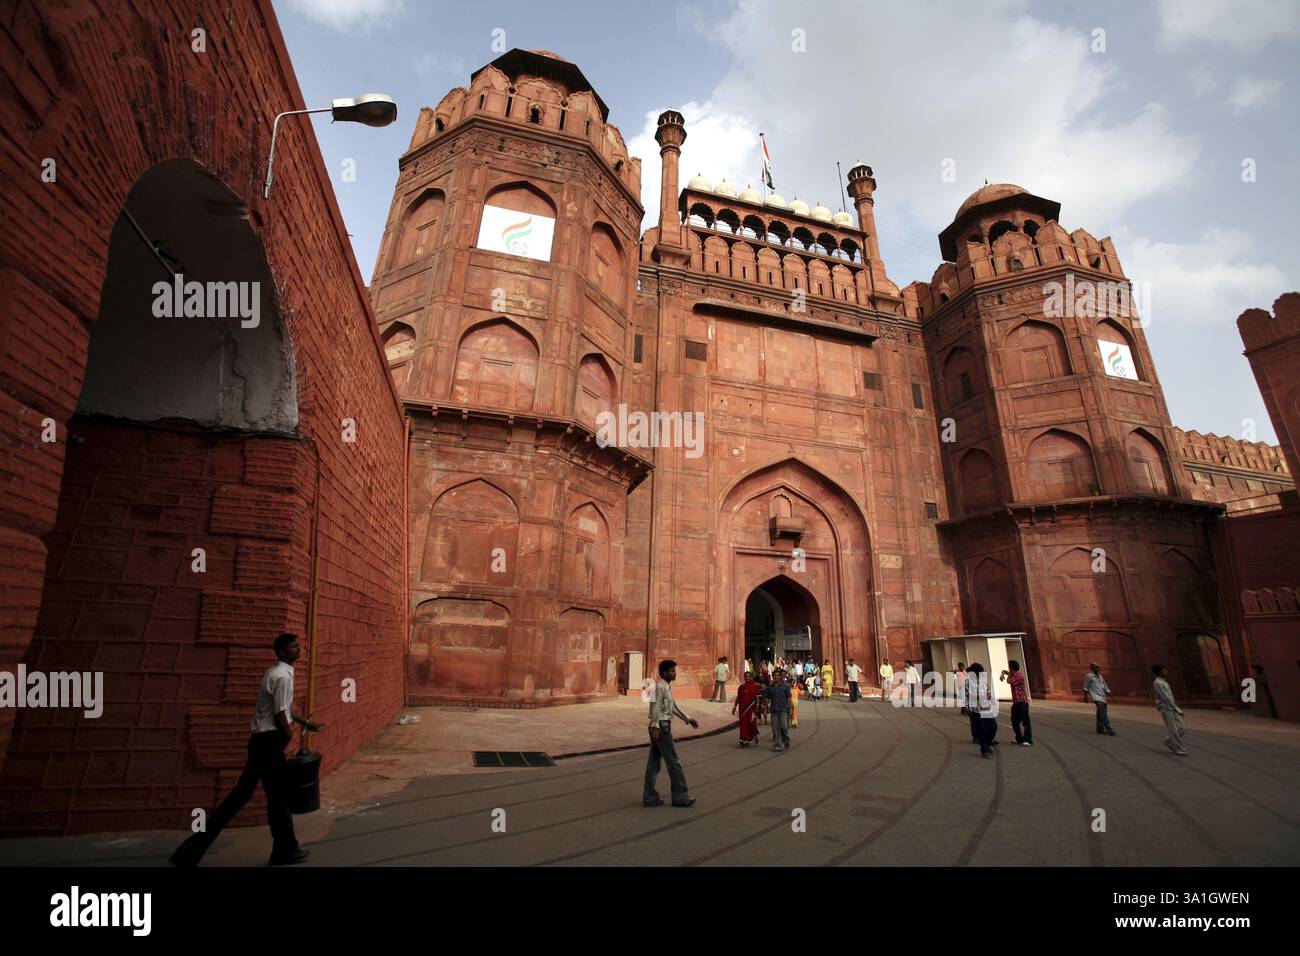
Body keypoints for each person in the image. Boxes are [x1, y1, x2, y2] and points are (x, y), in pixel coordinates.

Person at [171, 633, 322, 867]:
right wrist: (289, 735)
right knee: (279, 798)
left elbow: (286, 707)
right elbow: (280, 713)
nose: (299, 649)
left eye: (298, 646)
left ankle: (190, 851)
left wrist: (303, 721)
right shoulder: (281, 676)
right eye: (294, 647)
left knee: (242, 796)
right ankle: (285, 850)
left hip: (261, 742)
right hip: (270, 742)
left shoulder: (277, 673)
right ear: (282, 652)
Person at [644, 659, 699, 807]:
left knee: (654, 764)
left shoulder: (666, 687)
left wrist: (688, 719)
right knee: (674, 762)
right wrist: (655, 726)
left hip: (660, 726)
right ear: (664, 673)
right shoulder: (659, 687)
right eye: (673, 671)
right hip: (661, 727)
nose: (675, 673)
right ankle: (680, 797)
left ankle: (650, 797)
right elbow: (654, 708)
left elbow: (673, 707)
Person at [1151, 664, 1188, 756]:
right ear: (1159, 673)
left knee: (1182, 728)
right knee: (1173, 730)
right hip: (1166, 707)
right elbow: (1165, 697)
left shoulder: (1163, 681)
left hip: (1172, 707)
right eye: (1164, 670)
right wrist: (1178, 709)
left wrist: (1175, 707)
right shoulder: (1158, 683)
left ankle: (1168, 741)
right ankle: (1179, 749)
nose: (1166, 672)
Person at [966, 663, 999, 758]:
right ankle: (985, 750)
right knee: (981, 730)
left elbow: (988, 692)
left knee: (993, 727)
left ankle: (987, 744)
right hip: (976, 710)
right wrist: (983, 696)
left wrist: (990, 697)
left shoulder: (984, 681)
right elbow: (971, 696)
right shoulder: (968, 683)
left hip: (987, 709)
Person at [1000, 660, 1033, 746]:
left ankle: (1028, 739)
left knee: (1025, 722)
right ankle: (1019, 737)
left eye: (1009, 666)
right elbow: (1004, 671)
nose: (1008, 668)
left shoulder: (1019, 675)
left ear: (1012, 667)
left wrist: (1007, 675)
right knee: (1014, 721)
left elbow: (1010, 681)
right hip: (1016, 702)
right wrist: (1003, 674)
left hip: (1022, 701)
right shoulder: (1013, 674)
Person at [764, 669, 794, 752]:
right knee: (775, 729)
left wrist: (791, 709)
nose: (776, 677)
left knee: (784, 727)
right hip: (774, 710)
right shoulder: (770, 688)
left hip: (783, 710)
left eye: (778, 675)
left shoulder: (785, 687)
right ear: (773, 677)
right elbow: (767, 699)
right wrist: (765, 710)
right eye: (775, 676)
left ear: (780, 677)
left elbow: (788, 699)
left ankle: (786, 739)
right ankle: (777, 745)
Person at [1083, 662, 1116, 736]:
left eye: (1098, 667)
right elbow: (1085, 686)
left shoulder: (1100, 676)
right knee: (1103, 714)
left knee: (1100, 713)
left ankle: (1099, 728)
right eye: (1096, 667)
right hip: (1096, 697)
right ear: (1092, 668)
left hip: (1103, 696)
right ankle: (1109, 729)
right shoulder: (1089, 676)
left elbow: (1104, 685)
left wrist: (1108, 692)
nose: (1097, 669)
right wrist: (1085, 697)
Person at [732, 671, 762, 747]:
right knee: (743, 724)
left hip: (752, 709)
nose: (747, 677)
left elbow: (758, 697)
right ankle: (743, 739)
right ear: (744, 677)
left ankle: (755, 734)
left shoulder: (755, 686)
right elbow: (738, 697)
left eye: (749, 676)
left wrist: (757, 707)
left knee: (752, 724)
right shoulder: (741, 687)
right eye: (746, 676)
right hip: (742, 709)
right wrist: (735, 706)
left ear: (751, 677)